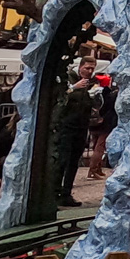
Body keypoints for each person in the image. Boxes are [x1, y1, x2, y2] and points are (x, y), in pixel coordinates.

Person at [54, 57, 97, 207]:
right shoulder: (70, 79)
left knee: (73, 162)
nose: (90, 72)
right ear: (80, 67)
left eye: (92, 69)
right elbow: (61, 98)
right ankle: (55, 192)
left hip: (81, 127)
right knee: (62, 160)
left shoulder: (90, 84)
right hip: (67, 126)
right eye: (87, 68)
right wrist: (74, 87)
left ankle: (66, 193)